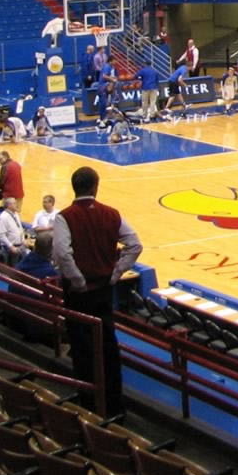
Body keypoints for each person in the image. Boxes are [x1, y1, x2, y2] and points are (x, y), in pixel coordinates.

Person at [52, 166, 144, 414]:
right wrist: (116, 273)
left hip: (78, 295)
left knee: (82, 350)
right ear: (96, 186)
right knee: (108, 348)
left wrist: (78, 280)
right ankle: (114, 405)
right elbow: (134, 245)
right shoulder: (111, 214)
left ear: (74, 187)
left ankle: (89, 405)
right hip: (104, 291)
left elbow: (61, 253)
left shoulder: (64, 217)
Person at [0, 197, 28, 263]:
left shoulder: (15, 214)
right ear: (9, 205)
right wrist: (11, 247)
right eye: (14, 203)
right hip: (11, 249)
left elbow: (20, 228)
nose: (17, 204)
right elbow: (1, 235)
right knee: (14, 267)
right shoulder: (3, 217)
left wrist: (23, 239)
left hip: (20, 246)